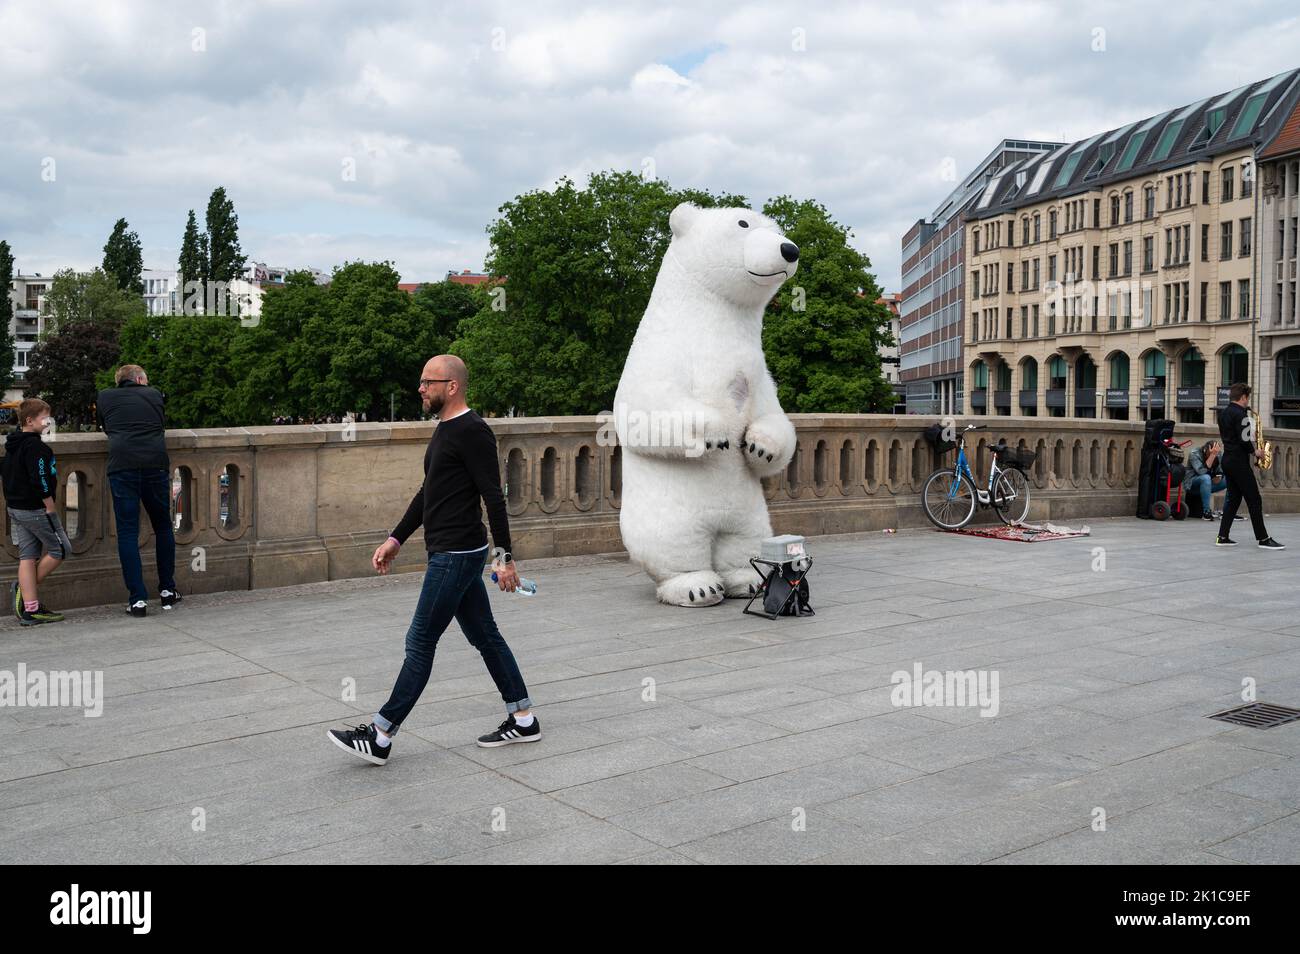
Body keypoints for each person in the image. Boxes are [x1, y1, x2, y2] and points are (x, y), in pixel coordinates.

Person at [328, 355, 538, 765]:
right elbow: (429, 493)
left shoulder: (473, 431)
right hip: (452, 550)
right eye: (421, 382)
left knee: (420, 641)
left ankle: (381, 734)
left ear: (452, 386)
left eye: (428, 382)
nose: (420, 388)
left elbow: (494, 496)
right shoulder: (445, 429)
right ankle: (524, 717)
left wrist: (505, 558)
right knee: (485, 636)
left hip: (457, 553)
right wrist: (396, 538)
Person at [96, 365, 181, 616]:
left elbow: (107, 427)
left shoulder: (104, 397)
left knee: (127, 533)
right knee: (163, 526)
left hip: (122, 465)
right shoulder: (155, 394)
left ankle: (137, 599)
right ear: (141, 379)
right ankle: (167, 590)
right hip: (155, 463)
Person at [2, 399, 70, 625]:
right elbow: (40, 478)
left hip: (16, 507)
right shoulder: (37, 447)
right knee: (60, 548)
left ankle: (31, 608)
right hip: (35, 508)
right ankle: (23, 588)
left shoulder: (13, 444)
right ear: (29, 421)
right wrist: (49, 504)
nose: (49, 421)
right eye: (44, 417)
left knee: (28, 555)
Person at [1216, 383, 1284, 549]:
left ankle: (1222, 536)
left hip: (1227, 459)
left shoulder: (1223, 413)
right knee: (1254, 499)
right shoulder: (1242, 414)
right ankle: (1263, 539)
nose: (1248, 402)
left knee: (1233, 499)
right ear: (1243, 397)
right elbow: (1245, 440)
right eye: (1248, 398)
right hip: (1239, 461)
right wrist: (1256, 452)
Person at [1183, 440, 1232, 521]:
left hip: (1208, 484)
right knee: (1206, 478)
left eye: (1216, 453)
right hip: (1192, 485)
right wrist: (1212, 455)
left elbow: (1221, 470)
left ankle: (1227, 512)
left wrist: (1219, 476)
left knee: (1230, 480)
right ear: (1206, 450)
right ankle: (1206, 512)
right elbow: (1201, 472)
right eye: (1213, 452)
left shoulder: (1218, 453)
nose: (1216, 455)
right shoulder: (1194, 453)